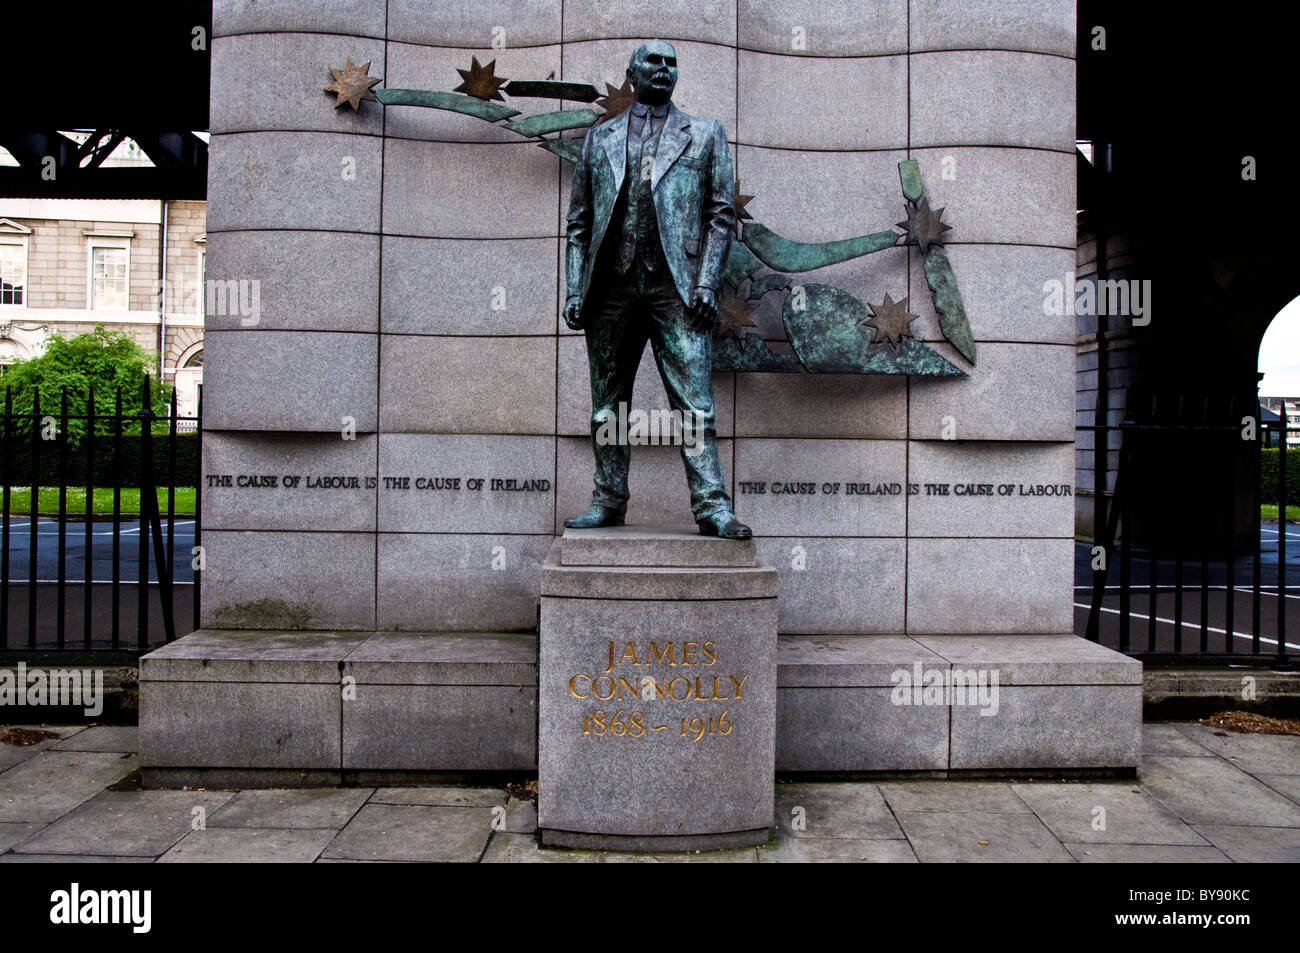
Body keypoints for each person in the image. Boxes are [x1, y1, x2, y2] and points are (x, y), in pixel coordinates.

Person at [562, 40, 751, 540]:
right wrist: (574, 288)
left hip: (679, 291)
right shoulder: (598, 138)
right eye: (654, 61)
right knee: (608, 406)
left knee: (694, 406)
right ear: (632, 72)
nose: (664, 70)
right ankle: (608, 500)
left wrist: (707, 282)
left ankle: (713, 507)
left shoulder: (706, 134)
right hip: (610, 291)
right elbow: (579, 223)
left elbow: (720, 216)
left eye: (672, 63)